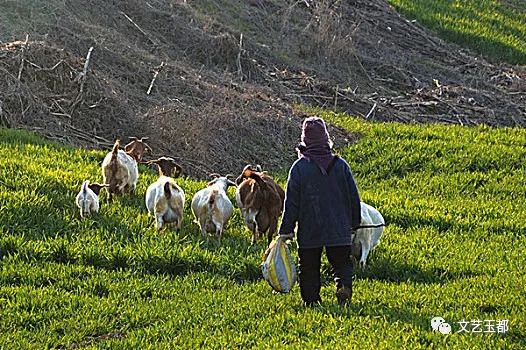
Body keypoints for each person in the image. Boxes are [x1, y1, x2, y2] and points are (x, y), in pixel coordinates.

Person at [278, 116, 361, 306]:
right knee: (341, 263)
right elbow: (353, 198)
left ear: (305, 140)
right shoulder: (341, 166)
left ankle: (312, 301)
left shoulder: (299, 168)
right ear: (326, 138)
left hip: (310, 228)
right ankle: (343, 287)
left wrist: (286, 229)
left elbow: (291, 203)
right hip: (338, 227)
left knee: (308, 266)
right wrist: (355, 223)